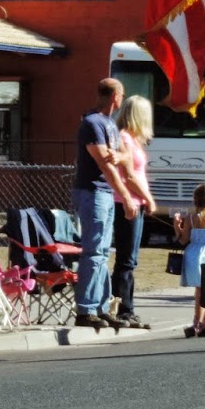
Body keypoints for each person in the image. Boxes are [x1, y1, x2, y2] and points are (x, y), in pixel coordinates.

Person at [72, 78, 136, 330]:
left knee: (103, 253)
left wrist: (119, 155)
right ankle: (86, 309)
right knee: (94, 251)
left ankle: (101, 306)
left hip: (106, 194)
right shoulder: (91, 123)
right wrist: (127, 196)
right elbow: (105, 164)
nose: (121, 100)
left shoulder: (110, 124)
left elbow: (124, 156)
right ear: (115, 97)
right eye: (122, 95)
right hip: (92, 193)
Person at [110, 94, 157, 330]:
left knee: (130, 259)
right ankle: (123, 308)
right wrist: (149, 198)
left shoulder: (133, 140)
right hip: (126, 202)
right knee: (126, 259)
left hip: (134, 203)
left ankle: (124, 306)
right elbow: (128, 176)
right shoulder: (124, 139)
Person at [177, 184, 205, 338]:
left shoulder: (191, 217)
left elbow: (183, 240)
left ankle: (203, 321)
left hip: (192, 252)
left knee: (200, 289)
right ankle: (199, 322)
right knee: (204, 289)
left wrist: (177, 227)